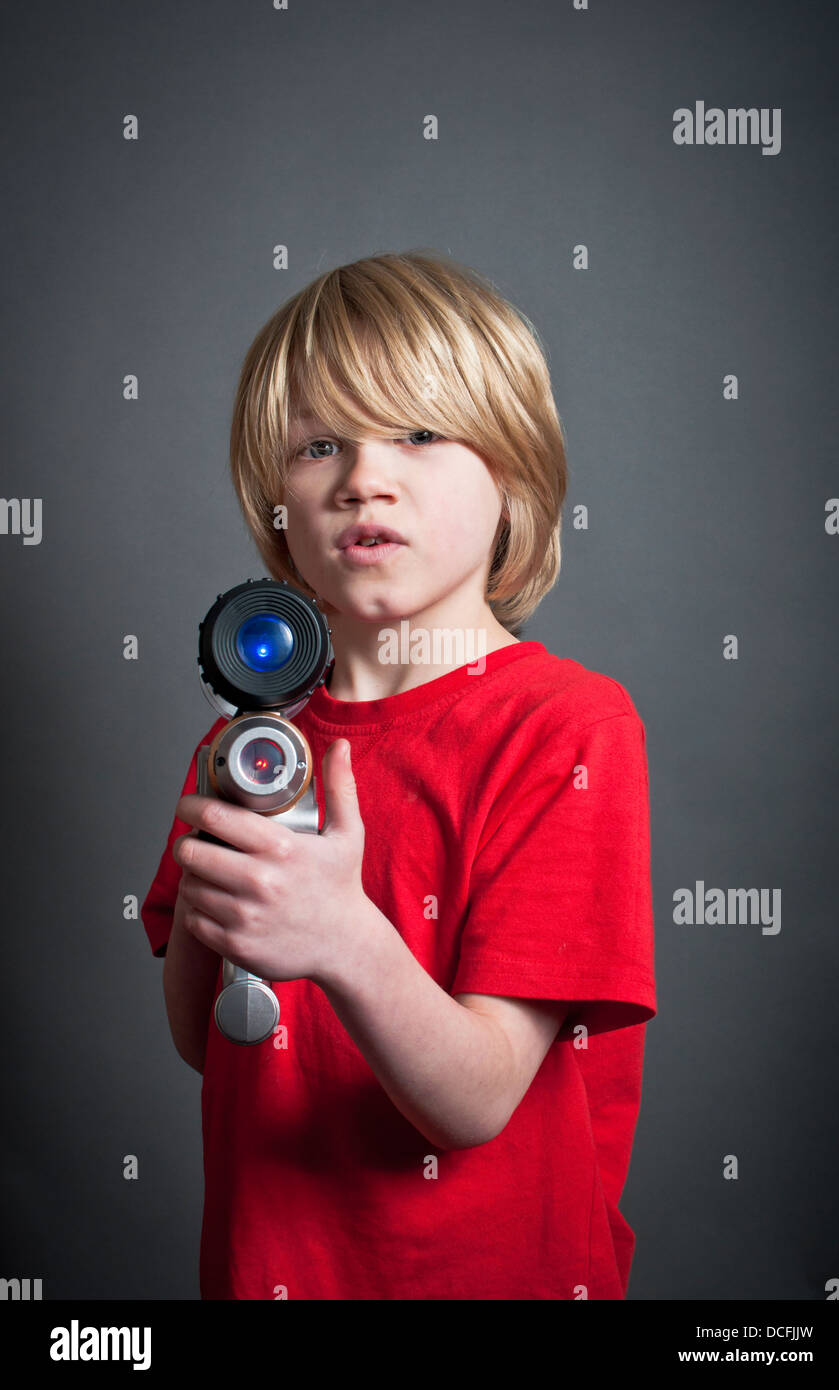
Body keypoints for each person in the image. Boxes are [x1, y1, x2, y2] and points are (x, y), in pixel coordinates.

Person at [141, 249, 657, 1300]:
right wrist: (219, 895)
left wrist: (341, 939)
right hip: (270, 1272)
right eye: (318, 445)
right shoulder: (245, 748)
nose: (362, 477)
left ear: (509, 472)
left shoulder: (562, 726)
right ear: (276, 506)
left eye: (418, 434)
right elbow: (209, 1041)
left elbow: (469, 1104)